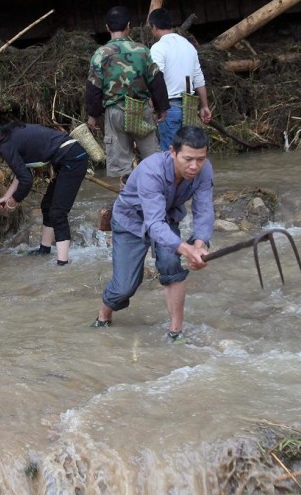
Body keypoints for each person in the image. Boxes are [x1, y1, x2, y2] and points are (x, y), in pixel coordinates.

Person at [92, 126, 214, 343]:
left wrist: (200, 243)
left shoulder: (204, 170)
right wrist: (186, 249)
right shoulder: (151, 171)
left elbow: (204, 209)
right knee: (124, 288)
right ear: (173, 152)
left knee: (171, 265)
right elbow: (154, 224)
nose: (194, 166)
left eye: (200, 159)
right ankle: (104, 314)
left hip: (167, 217)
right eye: (188, 159)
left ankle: (176, 332)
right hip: (131, 220)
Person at [0, 117, 90, 265]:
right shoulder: (7, 133)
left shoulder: (5, 146)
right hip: (68, 157)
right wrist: (6, 196)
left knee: (58, 212)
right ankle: (44, 249)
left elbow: (26, 181)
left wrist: (13, 201)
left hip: (72, 159)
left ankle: (62, 264)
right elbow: (22, 173)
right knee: (47, 205)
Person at [85, 5, 170, 185]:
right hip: (141, 111)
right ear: (128, 26)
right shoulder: (142, 51)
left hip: (115, 113)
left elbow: (94, 87)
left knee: (122, 165)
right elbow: (156, 80)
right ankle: (156, 195)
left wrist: (93, 115)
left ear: (107, 27)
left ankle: (128, 201)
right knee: (153, 159)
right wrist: (163, 108)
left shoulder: (100, 54)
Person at [148, 8, 212, 151]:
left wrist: (153, 105)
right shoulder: (188, 46)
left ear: (154, 27)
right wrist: (204, 106)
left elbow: (157, 79)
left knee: (171, 153)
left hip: (169, 108)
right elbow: (199, 79)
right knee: (189, 153)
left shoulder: (158, 48)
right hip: (189, 106)